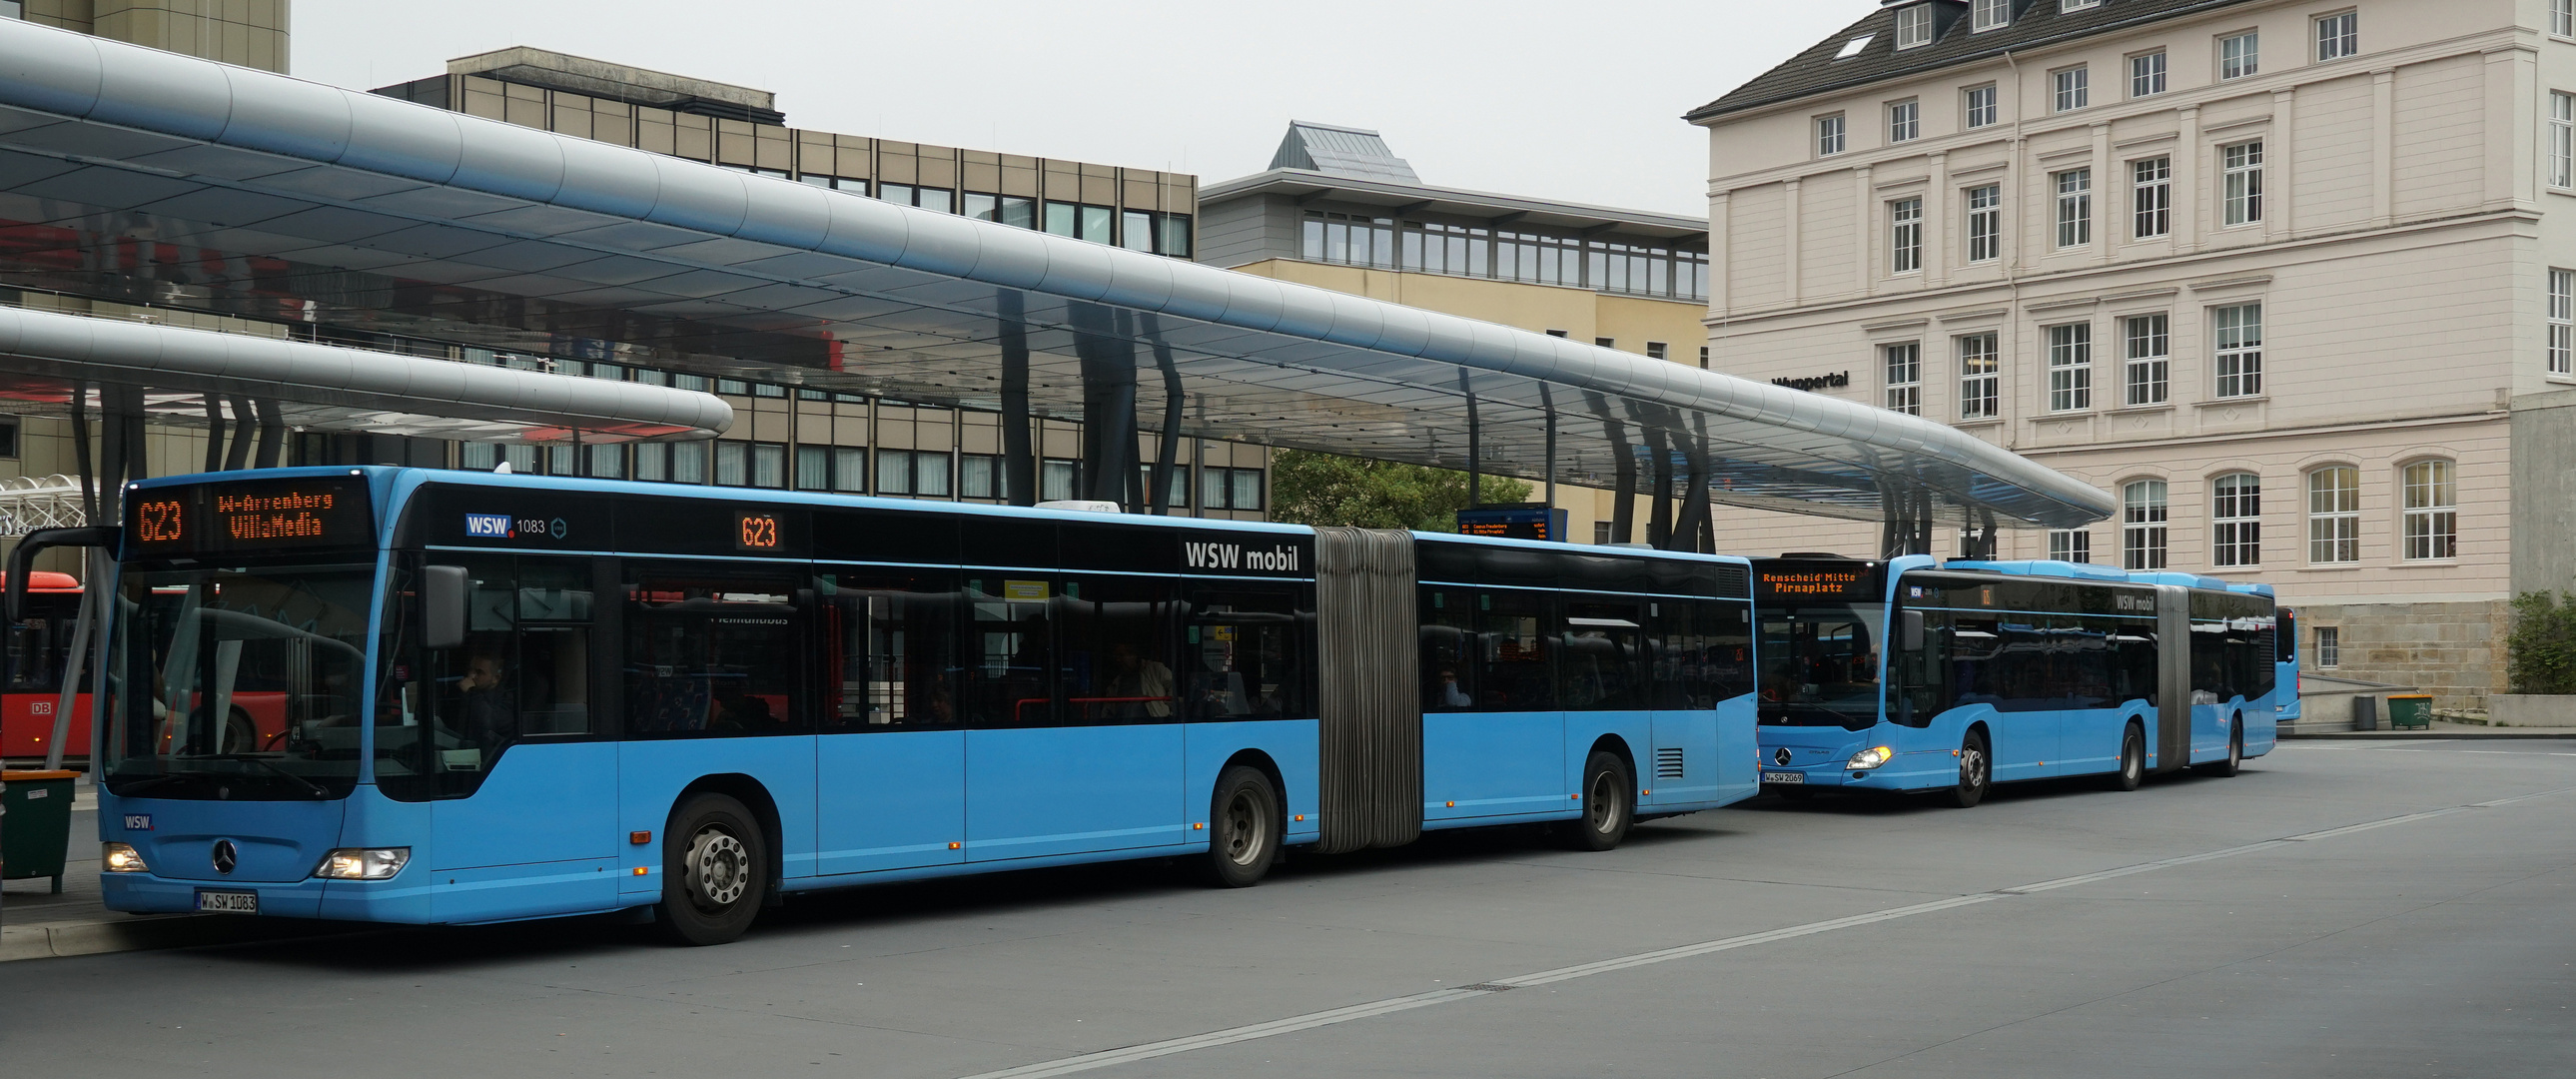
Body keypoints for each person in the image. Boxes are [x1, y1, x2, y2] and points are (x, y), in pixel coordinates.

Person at [456, 651, 514, 750]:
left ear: (495, 678)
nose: (472, 676)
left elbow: (490, 723)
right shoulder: (466, 694)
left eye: (479, 672)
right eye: (471, 670)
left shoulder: (506, 699)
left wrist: (472, 692)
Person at [1105, 642, 1175, 718]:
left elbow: (1174, 687)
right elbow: (1107, 710)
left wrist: (1170, 716)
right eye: (1116, 656)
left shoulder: (1155, 669)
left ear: (1133, 656)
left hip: (1153, 724)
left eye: (1121, 655)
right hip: (1123, 726)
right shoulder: (1115, 683)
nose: (1118, 660)